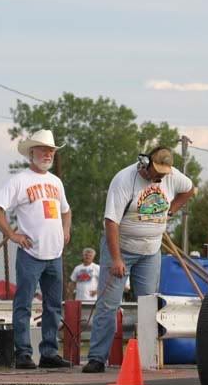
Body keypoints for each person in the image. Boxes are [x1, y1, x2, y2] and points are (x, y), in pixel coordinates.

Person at [83, 146, 195, 372]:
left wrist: (170, 211)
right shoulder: (124, 180)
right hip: (121, 248)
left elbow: (190, 190)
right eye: (155, 173)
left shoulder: (172, 177)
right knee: (109, 304)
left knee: (148, 304)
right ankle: (96, 358)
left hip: (151, 250)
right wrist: (116, 259)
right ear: (143, 164)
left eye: (163, 175)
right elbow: (111, 222)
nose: (158, 178)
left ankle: (148, 357)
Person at [0, 129, 72, 369]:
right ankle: (23, 353)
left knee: (53, 305)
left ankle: (49, 351)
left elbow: (66, 210)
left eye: (51, 150)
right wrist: (12, 235)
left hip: (54, 253)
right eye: (44, 149)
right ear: (32, 153)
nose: (48, 154)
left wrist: (66, 230)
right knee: (24, 303)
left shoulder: (55, 181)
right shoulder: (20, 180)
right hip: (30, 253)